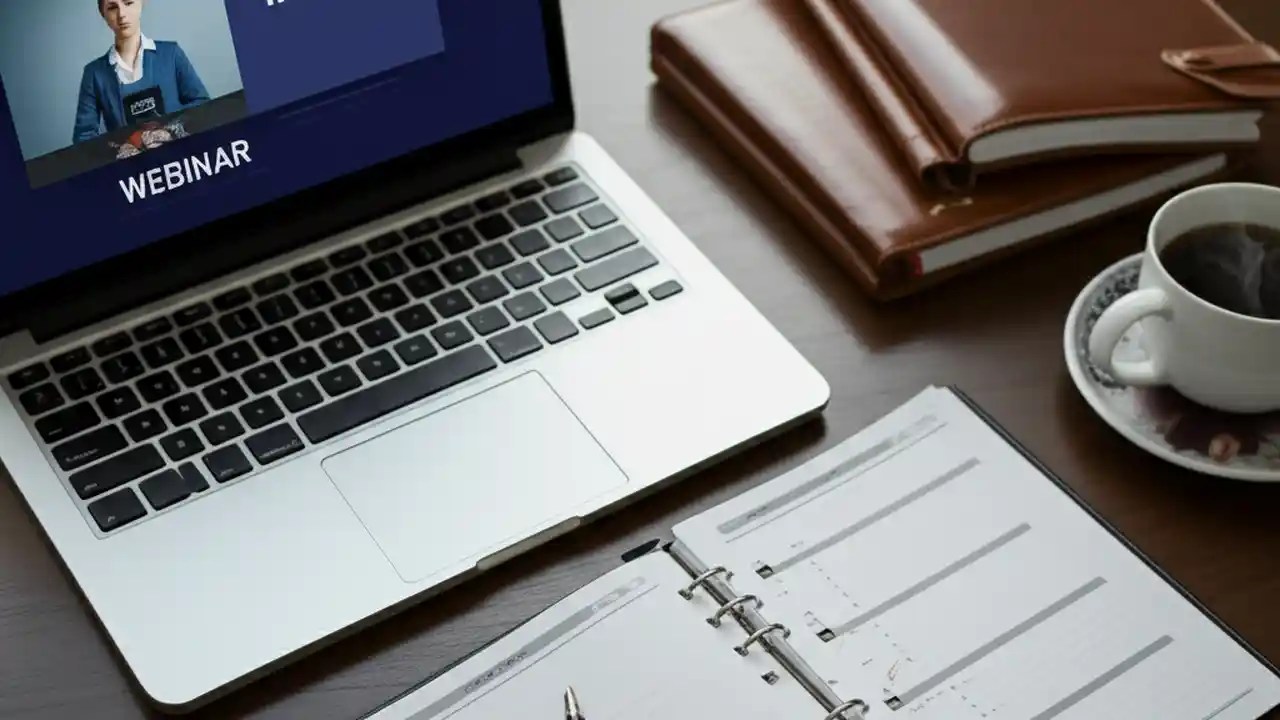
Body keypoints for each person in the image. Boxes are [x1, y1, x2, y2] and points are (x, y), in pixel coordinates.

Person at [73, 0, 209, 144]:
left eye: (129, 3)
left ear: (142, 2)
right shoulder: (94, 74)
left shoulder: (171, 54)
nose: (121, 15)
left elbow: (203, 105)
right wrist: (122, 146)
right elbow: (83, 138)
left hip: (179, 158)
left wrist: (168, 128)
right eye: (112, 7)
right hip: (130, 165)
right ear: (103, 13)